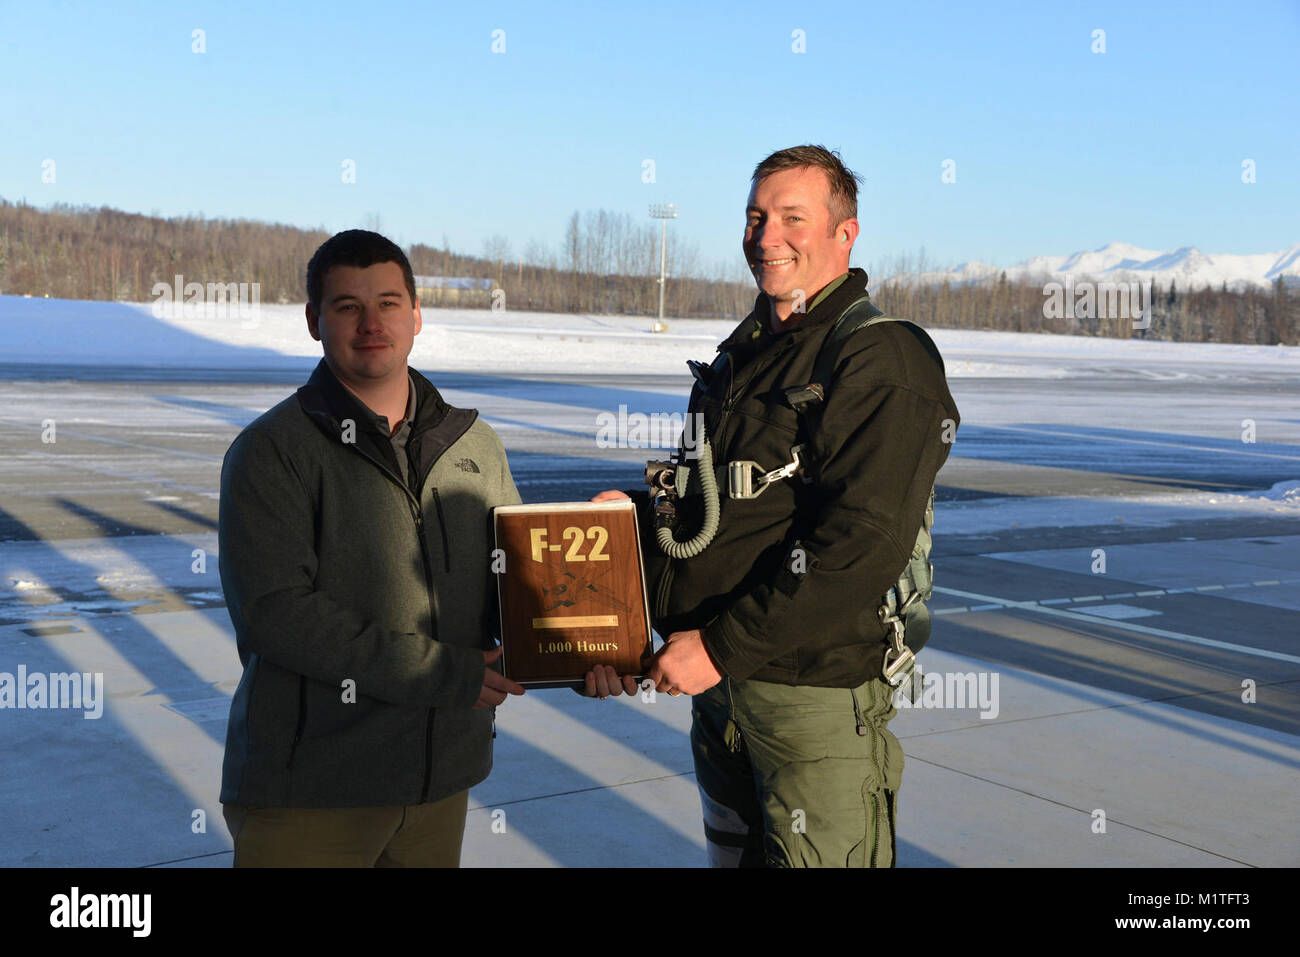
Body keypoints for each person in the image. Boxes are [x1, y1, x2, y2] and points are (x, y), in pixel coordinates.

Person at [591, 145, 960, 866]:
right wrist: (631, 522)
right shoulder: (742, 358)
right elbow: (719, 507)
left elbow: (861, 542)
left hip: (808, 699)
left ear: (844, 234)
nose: (767, 237)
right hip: (719, 691)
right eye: (757, 217)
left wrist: (721, 646)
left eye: (793, 217)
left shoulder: (878, 358)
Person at [217, 229, 525, 866]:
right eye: (347, 306)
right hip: (312, 791)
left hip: (439, 784)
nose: (371, 323)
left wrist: (582, 653)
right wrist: (444, 674)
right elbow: (278, 614)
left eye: (387, 303)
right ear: (313, 321)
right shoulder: (274, 450)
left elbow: (519, 581)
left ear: (416, 315)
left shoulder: (476, 445)